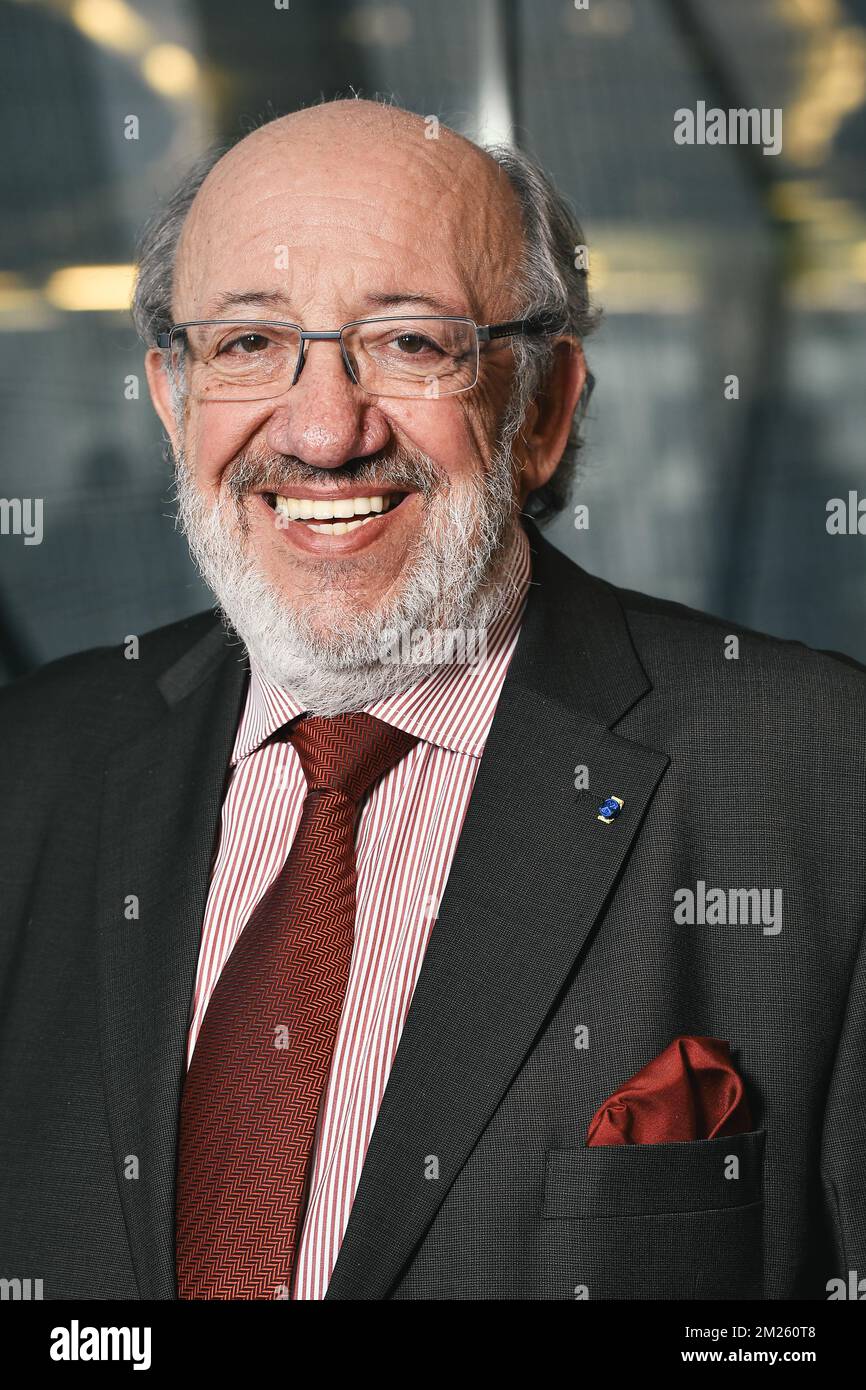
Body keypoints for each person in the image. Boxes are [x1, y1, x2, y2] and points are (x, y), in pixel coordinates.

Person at [0, 97, 863, 1302]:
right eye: (248, 343)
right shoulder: (32, 768)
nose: (320, 428)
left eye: (410, 342)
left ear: (543, 409)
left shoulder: (820, 776)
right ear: (169, 394)